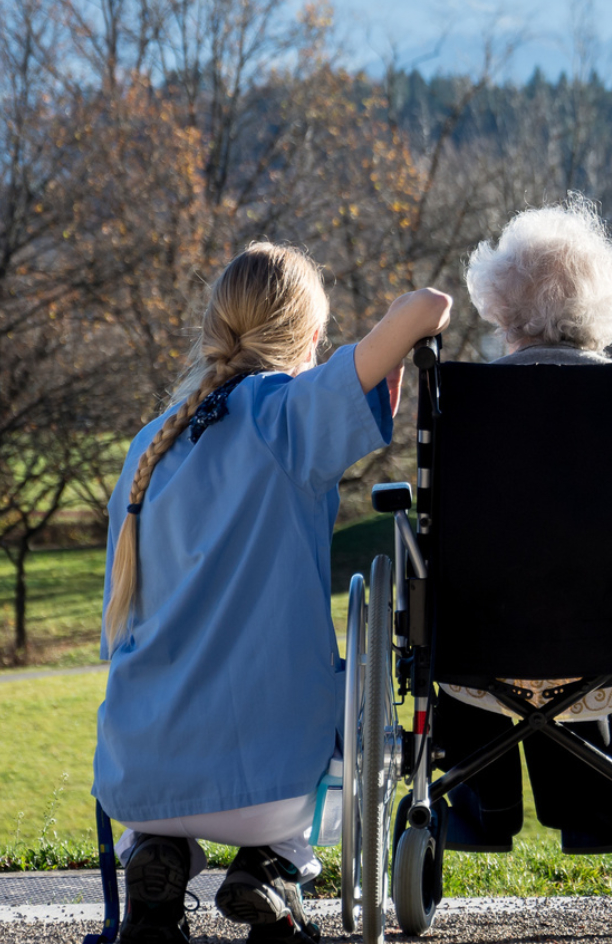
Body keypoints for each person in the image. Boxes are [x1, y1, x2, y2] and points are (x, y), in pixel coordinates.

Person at [93, 243, 451, 944]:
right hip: (272, 790)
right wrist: (397, 358)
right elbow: (426, 309)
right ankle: (275, 865)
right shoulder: (288, 416)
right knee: (364, 698)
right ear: (308, 337)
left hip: (139, 777)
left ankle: (157, 860)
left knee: (174, 768)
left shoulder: (149, 446)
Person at [432, 195, 612, 855]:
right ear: (603, 308)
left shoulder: (459, 401)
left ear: (498, 303)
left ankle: (474, 808)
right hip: (601, 635)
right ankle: (603, 814)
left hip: (474, 641)